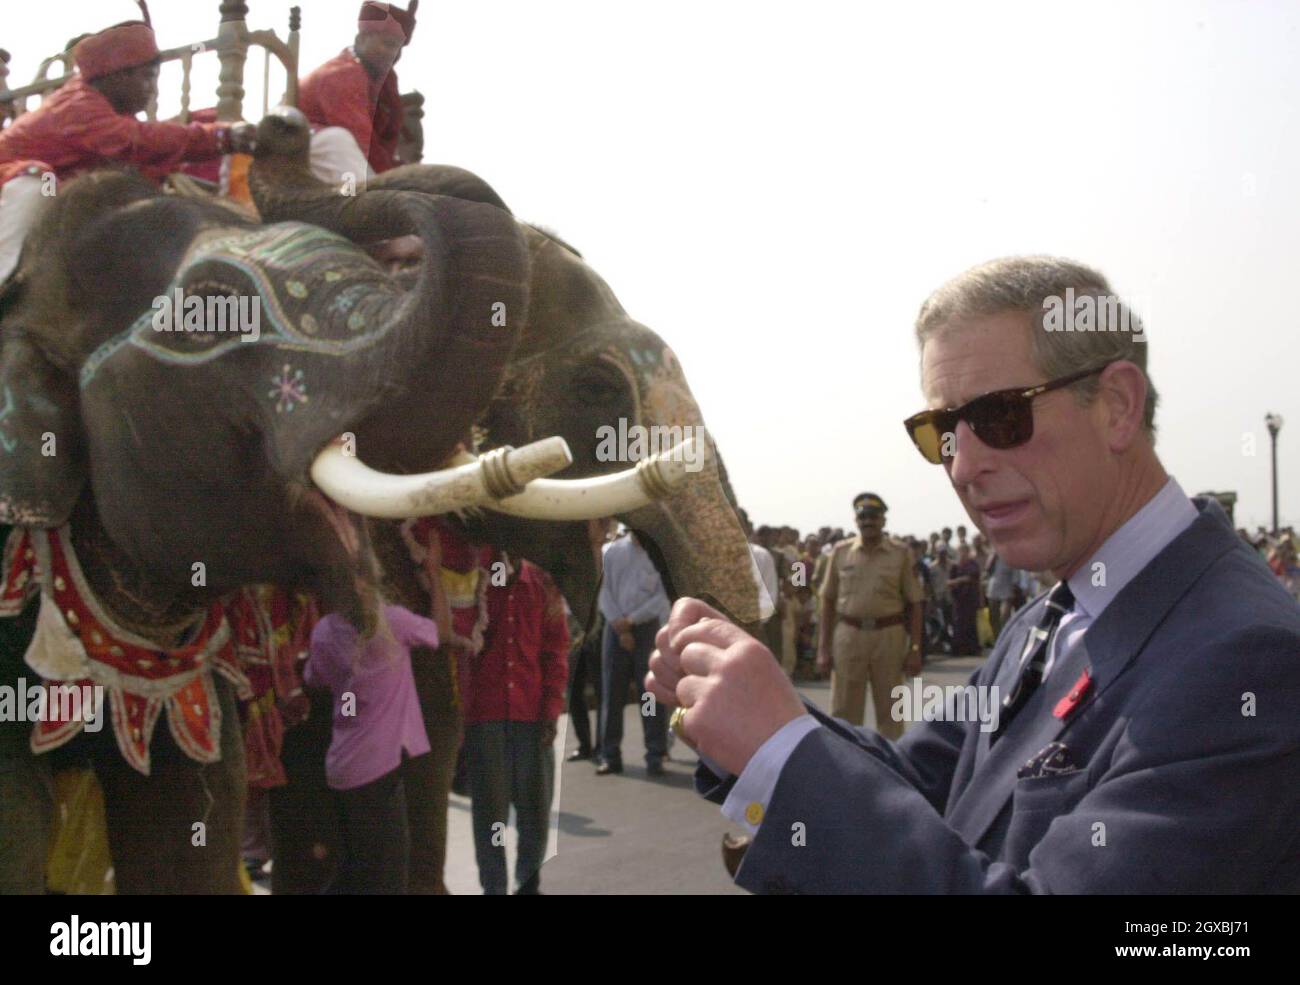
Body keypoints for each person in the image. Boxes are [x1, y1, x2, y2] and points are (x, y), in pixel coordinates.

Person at [648, 254, 1300, 893]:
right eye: (943, 432)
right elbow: (920, 785)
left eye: (999, 417)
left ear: (1118, 406)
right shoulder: (1055, 615)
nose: (963, 467)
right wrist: (737, 706)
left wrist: (781, 747)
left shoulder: (1247, 659)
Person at [0, 8, 255, 283]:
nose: (152, 89)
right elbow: (137, 141)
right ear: (118, 76)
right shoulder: (80, 106)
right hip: (16, 179)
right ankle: (7, 275)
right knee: (40, 179)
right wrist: (222, 138)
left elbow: (149, 153)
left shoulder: (110, 110)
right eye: (147, 77)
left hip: (53, 191)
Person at [305, 588, 443, 894]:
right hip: (378, 768)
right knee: (387, 875)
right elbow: (439, 632)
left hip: (341, 766)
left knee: (354, 867)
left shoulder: (325, 631)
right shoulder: (393, 623)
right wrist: (434, 575)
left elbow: (313, 678)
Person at [460, 550, 569, 895]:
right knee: (492, 817)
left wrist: (551, 709)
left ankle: (528, 884)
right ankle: (494, 887)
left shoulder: (541, 585)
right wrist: (492, 583)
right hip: (486, 718)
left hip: (532, 716)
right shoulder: (477, 582)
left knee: (534, 812)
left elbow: (555, 651)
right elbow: (467, 644)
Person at [814, 493, 924, 736]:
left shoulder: (900, 553)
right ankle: (845, 765)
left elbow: (916, 603)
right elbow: (828, 599)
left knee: (891, 709)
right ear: (856, 520)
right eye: (863, 517)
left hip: (889, 636)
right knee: (843, 710)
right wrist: (823, 648)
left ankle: (891, 765)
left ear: (883, 520)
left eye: (873, 517)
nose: (868, 522)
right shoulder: (840, 553)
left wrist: (915, 649)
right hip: (848, 635)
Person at [297, 0, 418, 190]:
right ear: (362, 38)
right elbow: (362, 139)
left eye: (398, 48)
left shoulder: (386, 80)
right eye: (388, 44)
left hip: (349, 158)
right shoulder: (341, 74)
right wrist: (394, 179)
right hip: (300, 148)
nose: (393, 54)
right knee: (338, 141)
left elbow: (386, 140)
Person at [596, 529, 671, 775]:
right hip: (614, 627)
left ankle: (654, 752)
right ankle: (610, 755)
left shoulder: (658, 554)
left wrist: (632, 621)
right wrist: (619, 623)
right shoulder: (611, 552)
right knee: (612, 695)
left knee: (648, 693)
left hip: (645, 628)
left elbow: (661, 596)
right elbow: (603, 591)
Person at [946, 543, 983, 655]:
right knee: (958, 623)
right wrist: (959, 581)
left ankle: (972, 648)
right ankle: (958, 649)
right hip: (958, 599)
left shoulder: (973, 565)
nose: (963, 554)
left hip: (970, 599)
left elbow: (972, 577)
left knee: (970, 624)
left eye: (965, 551)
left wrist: (959, 580)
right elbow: (949, 582)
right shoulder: (955, 566)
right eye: (961, 551)